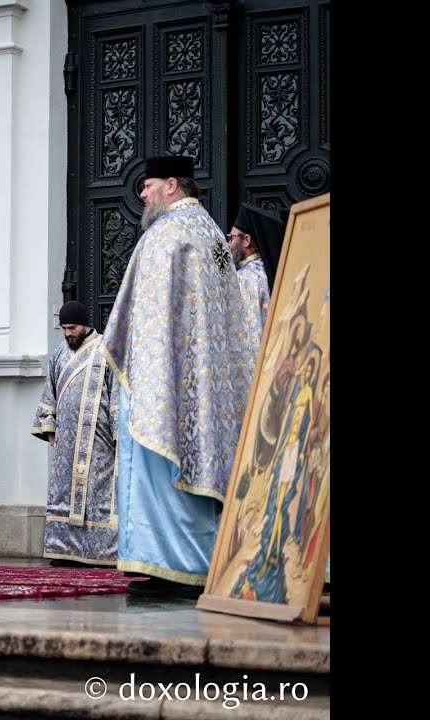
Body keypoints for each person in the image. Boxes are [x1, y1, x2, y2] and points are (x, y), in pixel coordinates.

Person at [101, 155, 255, 598]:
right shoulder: (208, 232)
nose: (143, 195)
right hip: (204, 382)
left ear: (171, 184)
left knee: (160, 458)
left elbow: (148, 323)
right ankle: (189, 562)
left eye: (147, 186)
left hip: (165, 377)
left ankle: (171, 565)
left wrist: (147, 375)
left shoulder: (168, 234)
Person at [30, 301, 118, 567]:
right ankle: (64, 550)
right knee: (63, 495)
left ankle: (99, 553)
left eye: (73, 327)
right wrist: (50, 428)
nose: (68, 333)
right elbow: (50, 392)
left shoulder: (106, 348)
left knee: (96, 494)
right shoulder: (59, 354)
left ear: (85, 325)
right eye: (64, 328)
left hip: (99, 438)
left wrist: (118, 432)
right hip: (66, 440)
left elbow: (116, 393)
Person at [228, 203, 286, 346]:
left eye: (231, 238)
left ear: (246, 240)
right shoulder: (266, 271)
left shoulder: (245, 278)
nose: (228, 245)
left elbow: (251, 336)